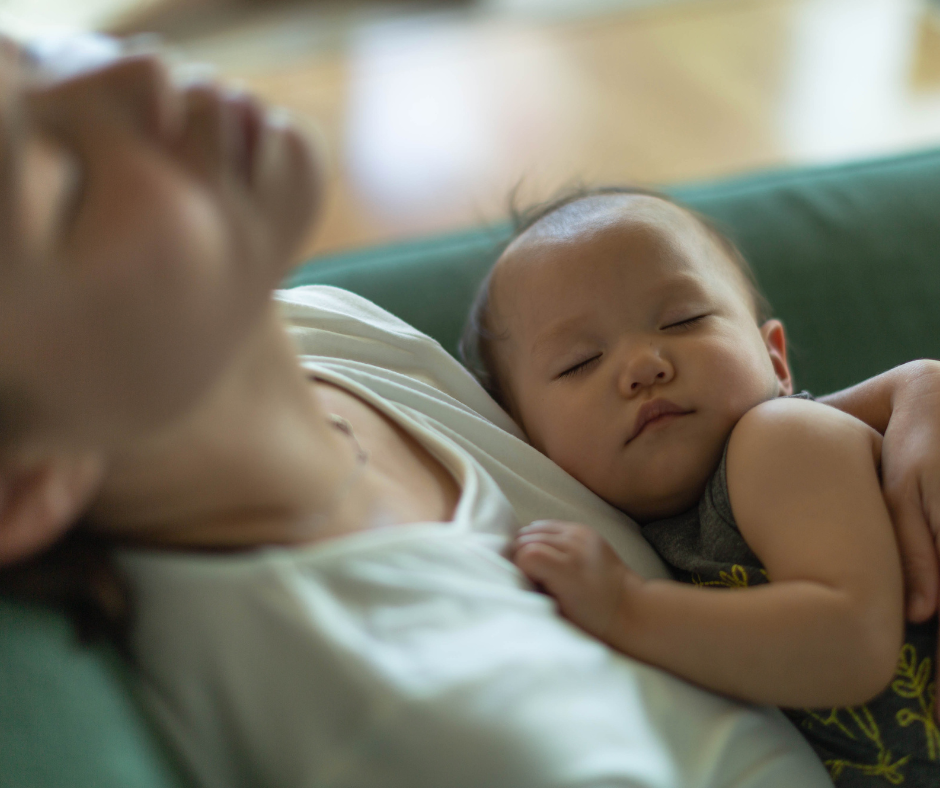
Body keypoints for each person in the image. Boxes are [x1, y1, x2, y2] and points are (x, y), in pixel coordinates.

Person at [0, 39, 938, 788]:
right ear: (27, 481)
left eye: (34, 56)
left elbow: (736, 443)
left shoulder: (316, 328)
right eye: (63, 187)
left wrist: (901, 394)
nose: (131, 68)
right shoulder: (409, 720)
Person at [458, 186, 940, 785]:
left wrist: (629, 609)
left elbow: (852, 643)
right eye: (580, 361)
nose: (643, 365)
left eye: (683, 320)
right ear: (523, 438)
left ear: (776, 362)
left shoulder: (778, 440)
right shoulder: (651, 535)